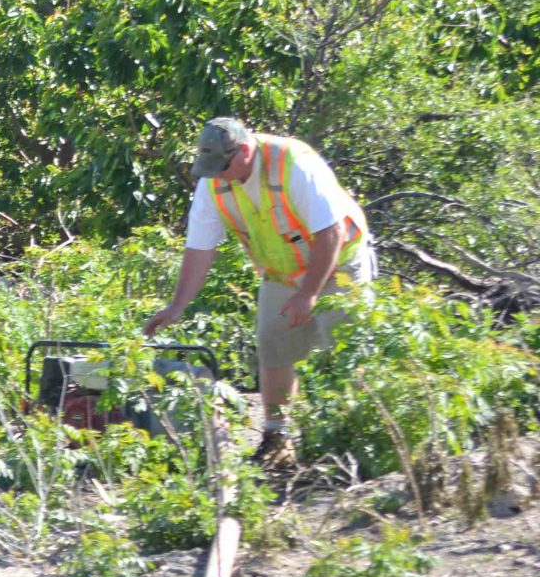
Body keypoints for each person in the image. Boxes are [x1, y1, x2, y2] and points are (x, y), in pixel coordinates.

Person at [145, 116, 374, 459]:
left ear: (245, 151)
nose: (218, 175)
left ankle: (356, 440)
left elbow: (332, 232)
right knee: (273, 346)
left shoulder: (294, 164)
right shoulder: (213, 183)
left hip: (339, 265)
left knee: (346, 353)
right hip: (282, 273)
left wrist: (308, 294)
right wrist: (177, 306)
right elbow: (200, 247)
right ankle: (277, 439)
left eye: (223, 166)